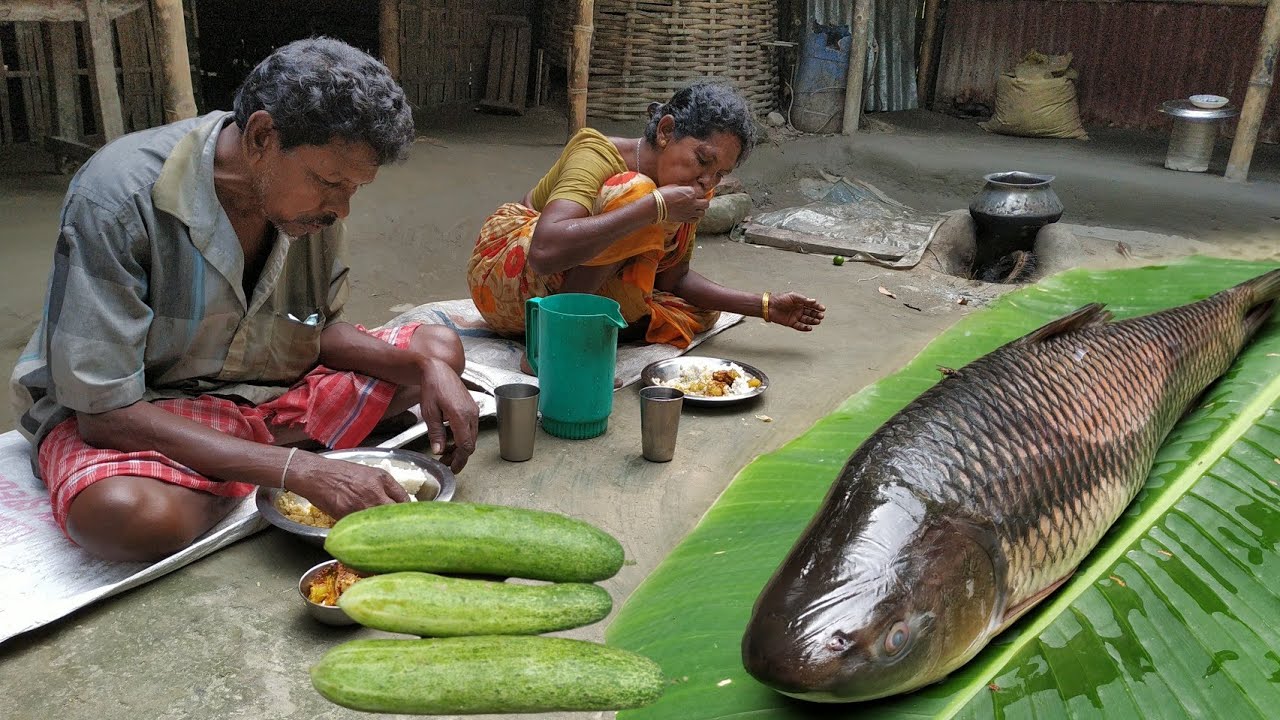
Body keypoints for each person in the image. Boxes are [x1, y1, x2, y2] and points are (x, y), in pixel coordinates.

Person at [9, 38, 478, 563]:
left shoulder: (307, 209)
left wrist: (423, 365)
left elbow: (314, 331)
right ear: (260, 137)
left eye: (354, 189)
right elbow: (104, 413)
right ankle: (272, 460)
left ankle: (242, 461)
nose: (341, 209)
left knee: (440, 352)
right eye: (329, 183)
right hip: (153, 410)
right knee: (127, 518)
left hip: (263, 393)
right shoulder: (118, 200)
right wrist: (297, 471)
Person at [466, 82, 825, 360]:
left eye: (720, 174)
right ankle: (550, 346)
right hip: (509, 273)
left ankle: (589, 323)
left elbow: (673, 278)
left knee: (700, 314)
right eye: (703, 161)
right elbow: (544, 251)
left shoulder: (690, 190)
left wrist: (764, 305)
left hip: (568, 279)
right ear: (666, 131)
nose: (707, 182)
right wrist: (653, 207)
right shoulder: (596, 151)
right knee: (636, 193)